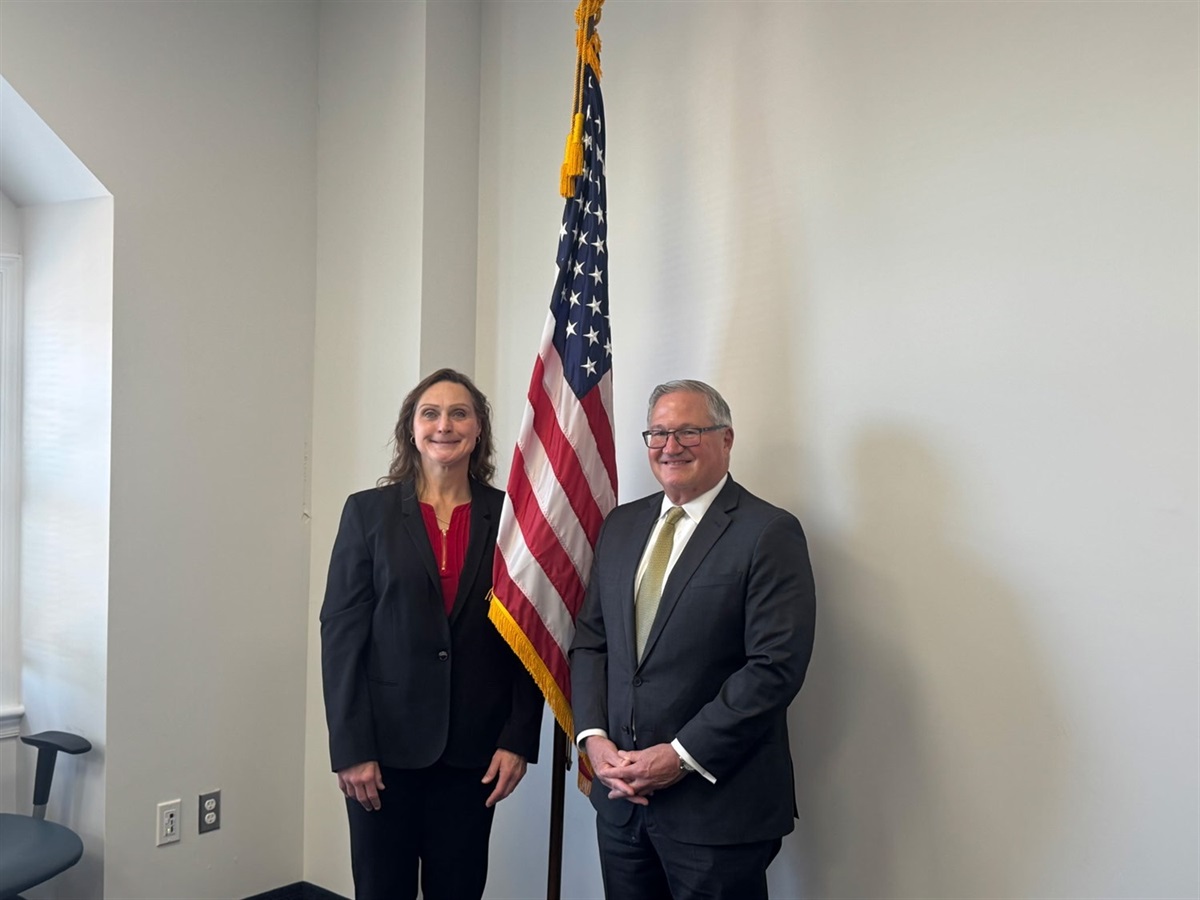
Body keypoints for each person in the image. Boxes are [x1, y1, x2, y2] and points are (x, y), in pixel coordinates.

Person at [570, 379, 817, 900]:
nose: (670, 445)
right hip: (621, 804)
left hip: (717, 811)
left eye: (688, 431)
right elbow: (593, 643)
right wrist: (593, 739)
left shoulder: (767, 532)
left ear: (726, 440)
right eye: (658, 432)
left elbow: (774, 667)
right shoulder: (621, 525)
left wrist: (679, 756)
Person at [320, 368, 543, 900]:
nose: (445, 425)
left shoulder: (512, 517)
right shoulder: (367, 513)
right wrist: (350, 747)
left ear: (479, 429)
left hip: (475, 755)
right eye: (431, 413)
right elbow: (342, 634)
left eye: (459, 413)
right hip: (382, 756)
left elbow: (532, 633)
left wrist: (518, 738)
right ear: (411, 429)